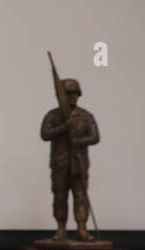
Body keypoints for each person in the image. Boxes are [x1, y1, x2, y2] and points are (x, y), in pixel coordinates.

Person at [40, 78, 100, 240]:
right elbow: (45, 134)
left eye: (75, 94)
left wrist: (79, 141)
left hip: (78, 163)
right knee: (60, 196)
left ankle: (82, 229)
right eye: (68, 94)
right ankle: (61, 229)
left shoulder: (85, 116)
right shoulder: (53, 115)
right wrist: (64, 127)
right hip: (60, 163)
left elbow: (95, 137)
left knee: (80, 195)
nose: (72, 97)